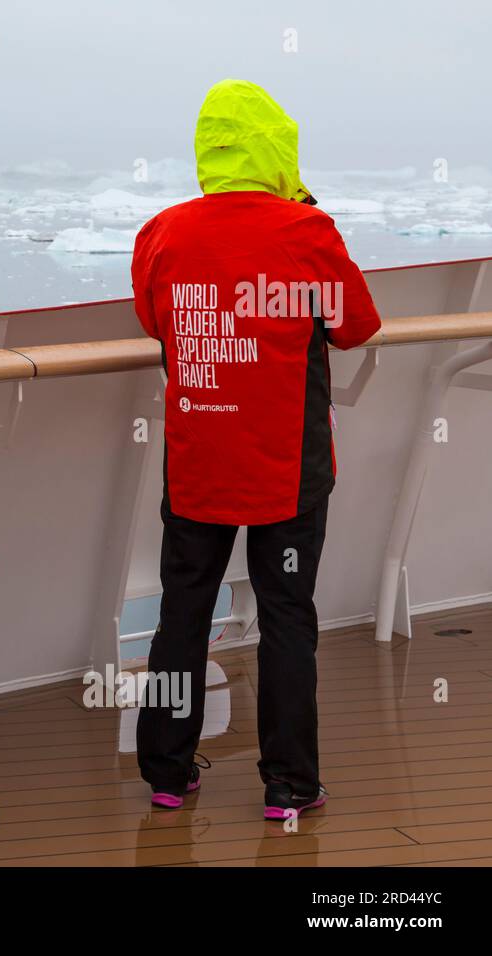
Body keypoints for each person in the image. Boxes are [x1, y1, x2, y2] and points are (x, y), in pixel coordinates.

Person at [131, 79, 381, 820]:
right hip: (286, 473)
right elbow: (355, 325)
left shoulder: (165, 232)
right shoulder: (307, 232)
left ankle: (168, 774)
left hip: (200, 462)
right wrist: (301, 212)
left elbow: (156, 320)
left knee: (184, 611)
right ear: (280, 148)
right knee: (286, 615)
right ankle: (289, 785)